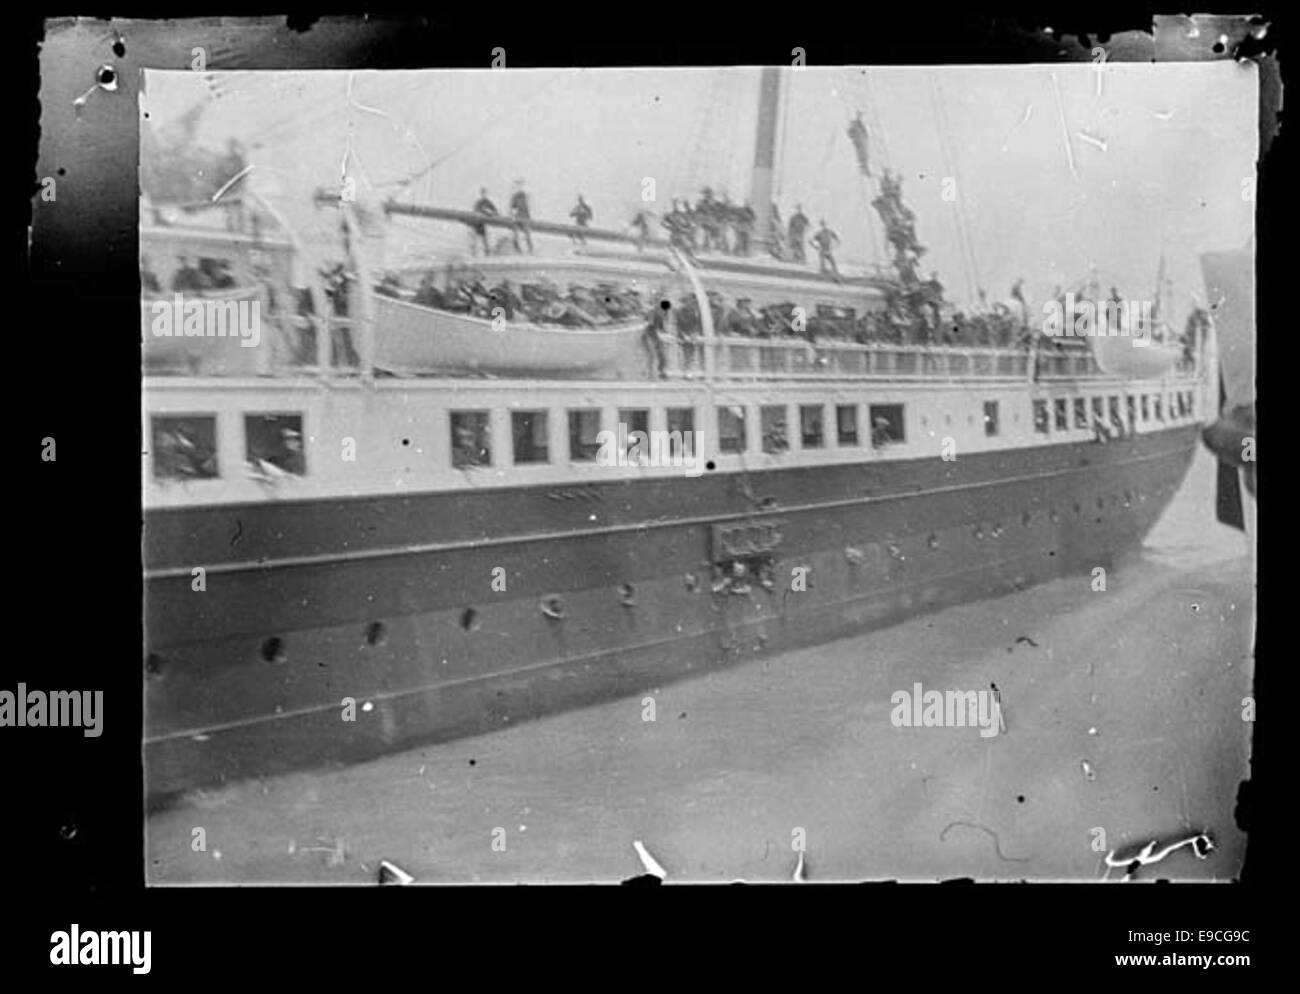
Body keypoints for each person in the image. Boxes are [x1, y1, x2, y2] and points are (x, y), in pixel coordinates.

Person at [509, 180, 534, 254]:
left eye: (520, 185)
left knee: (527, 235)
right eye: (517, 185)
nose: (519, 187)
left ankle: (530, 250)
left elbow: (529, 207)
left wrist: (529, 217)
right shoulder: (515, 197)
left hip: (525, 217)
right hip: (518, 217)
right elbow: (512, 207)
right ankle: (518, 250)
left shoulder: (526, 196)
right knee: (515, 235)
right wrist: (513, 216)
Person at [471, 188, 497, 256]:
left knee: (484, 239)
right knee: (476, 238)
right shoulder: (478, 202)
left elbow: (494, 211)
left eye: (484, 193)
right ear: (481, 194)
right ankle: (474, 253)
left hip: (483, 223)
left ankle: (487, 252)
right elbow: (475, 211)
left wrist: (488, 213)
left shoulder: (487, 202)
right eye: (482, 193)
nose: (483, 195)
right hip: (477, 223)